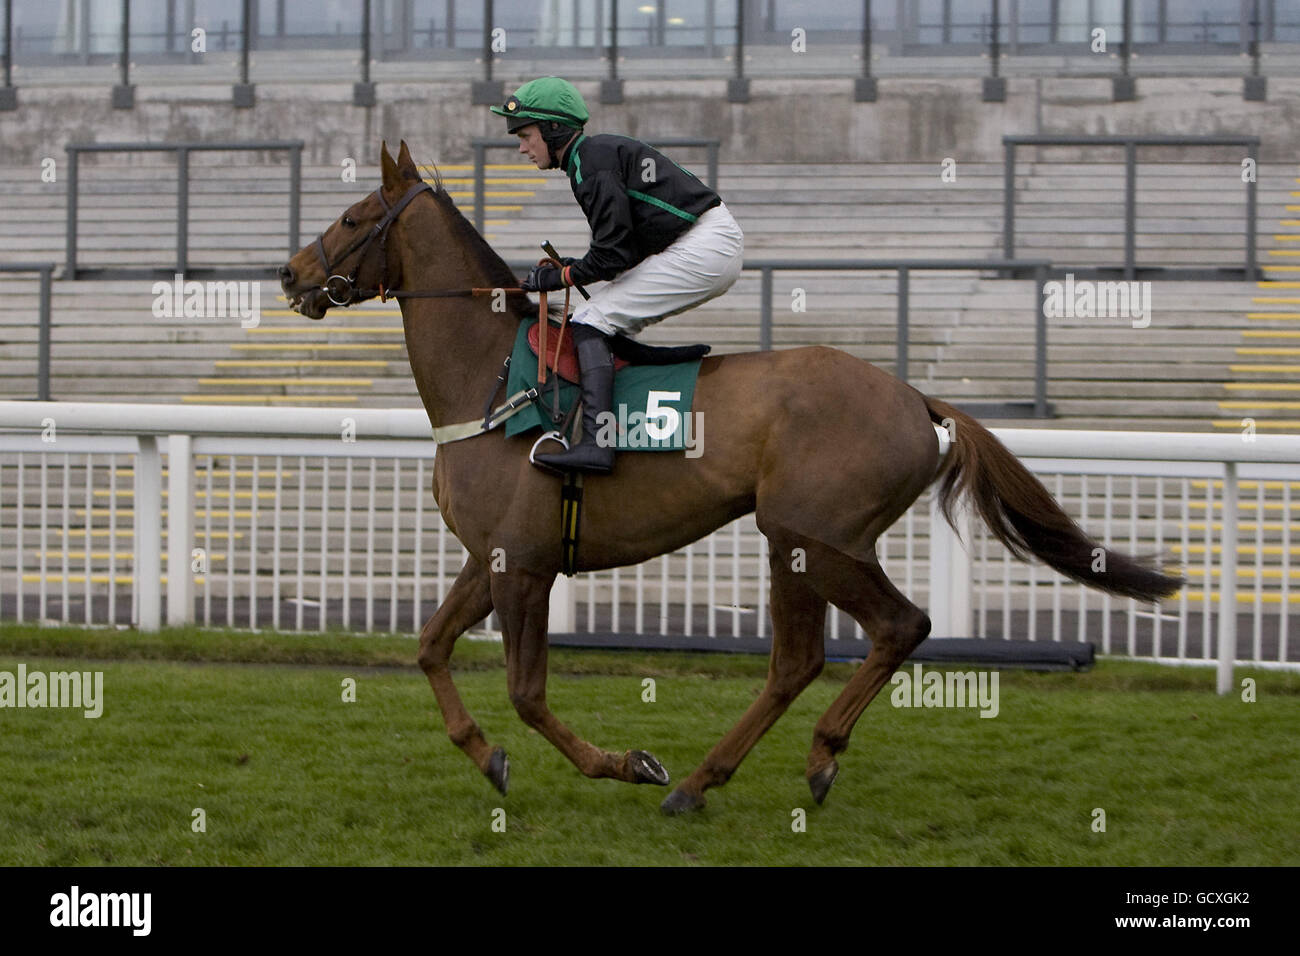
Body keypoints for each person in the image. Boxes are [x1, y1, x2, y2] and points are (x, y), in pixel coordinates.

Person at [489, 76, 744, 474]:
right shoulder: (588, 159)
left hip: (705, 245)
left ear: (554, 130)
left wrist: (559, 278)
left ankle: (597, 444)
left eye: (526, 135)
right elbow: (616, 251)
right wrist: (570, 269)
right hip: (701, 242)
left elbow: (611, 256)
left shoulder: (591, 163)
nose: (522, 147)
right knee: (601, 315)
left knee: (593, 317)